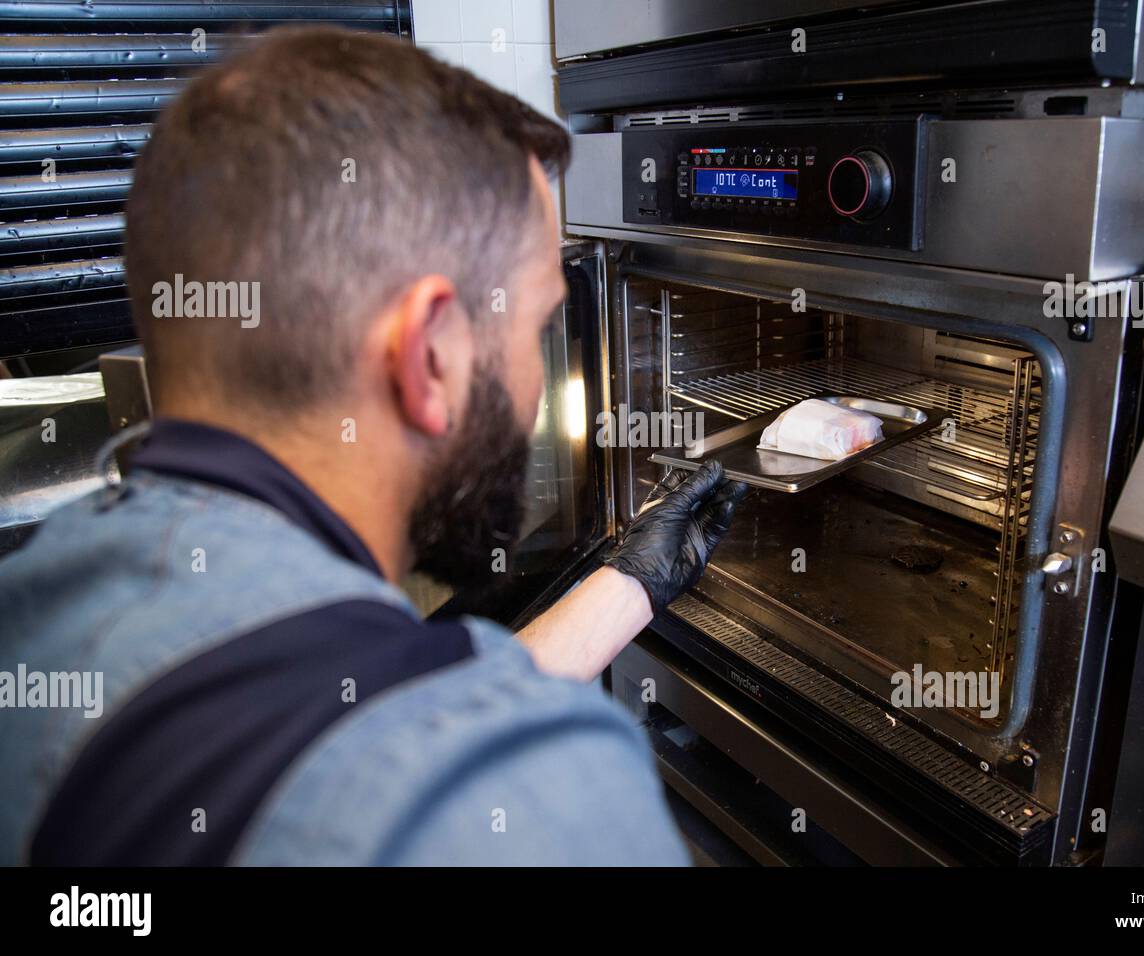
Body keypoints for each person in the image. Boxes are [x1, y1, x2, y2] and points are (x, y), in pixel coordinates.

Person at [0, 26, 746, 866]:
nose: (543, 378)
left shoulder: (41, 605)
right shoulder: (546, 803)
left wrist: (630, 585)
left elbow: (361, 715)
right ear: (430, 353)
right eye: (539, 323)